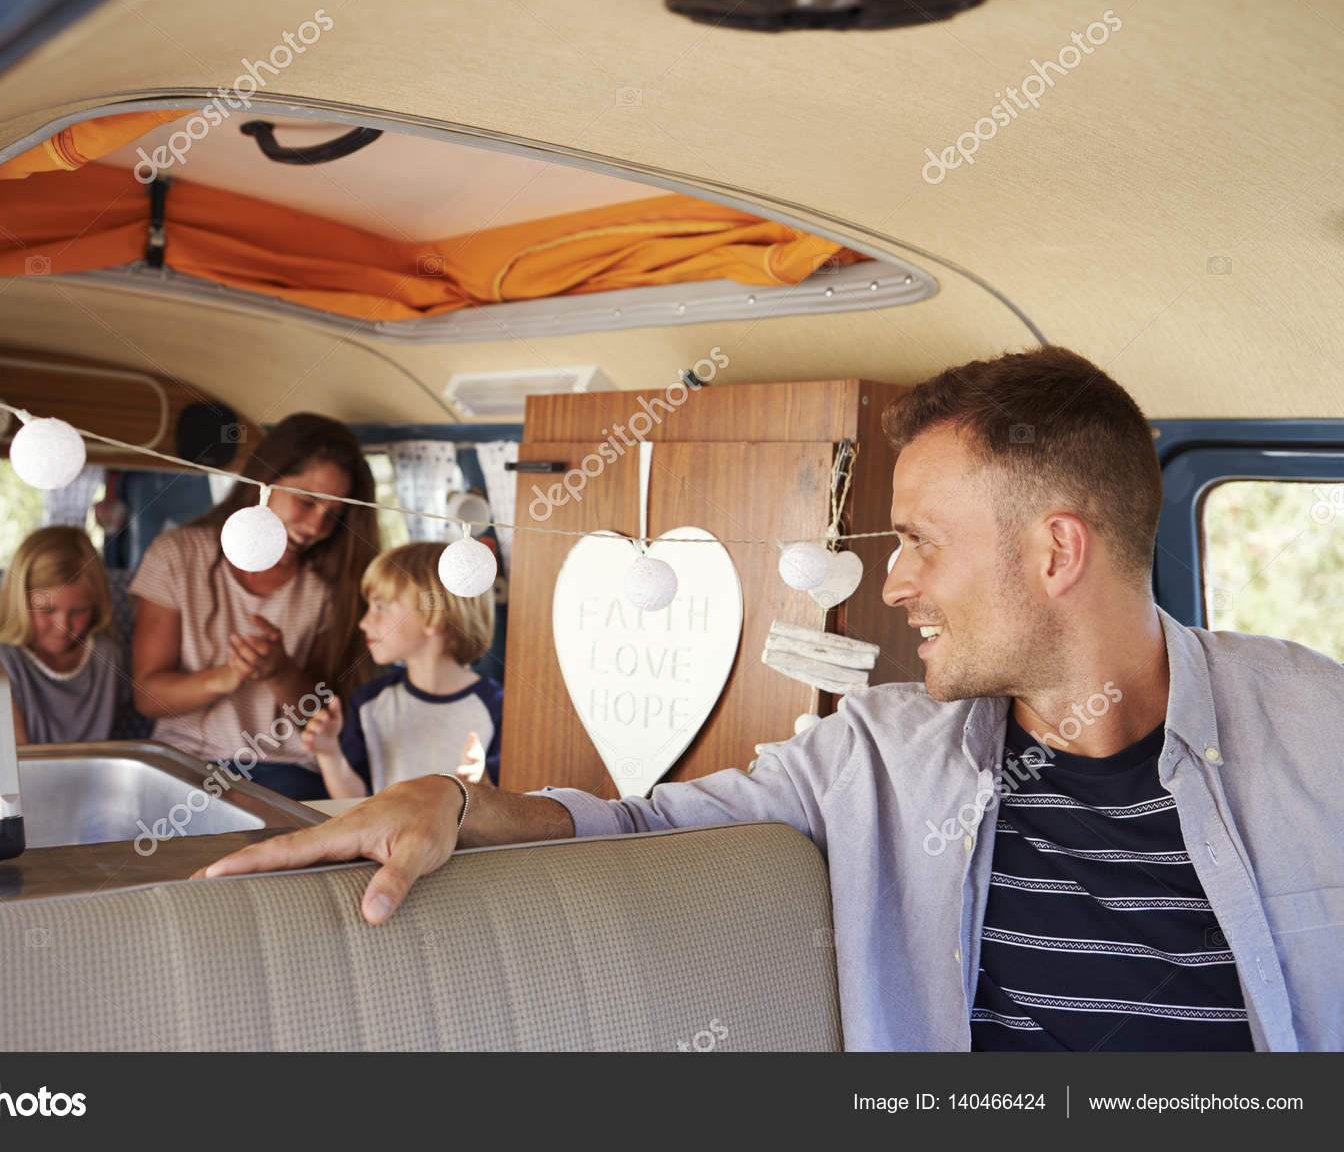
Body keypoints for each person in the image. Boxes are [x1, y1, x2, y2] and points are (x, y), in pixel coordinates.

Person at [193, 347, 1344, 1052]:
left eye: (920, 542)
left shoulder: (1315, 728)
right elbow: (641, 822)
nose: (891, 583)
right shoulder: (877, 753)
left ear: (1054, 552)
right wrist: (455, 802)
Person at [129, 413, 378, 800]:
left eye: (334, 516)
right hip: (187, 760)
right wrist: (225, 677)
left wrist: (281, 672)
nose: (316, 528)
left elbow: (321, 720)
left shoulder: (330, 585)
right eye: (306, 502)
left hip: (287, 769)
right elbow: (148, 696)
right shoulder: (177, 556)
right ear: (263, 483)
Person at [302, 542, 501, 799]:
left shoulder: (498, 707)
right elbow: (355, 804)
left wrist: (481, 783)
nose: (364, 622)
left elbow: (506, 805)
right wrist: (329, 753)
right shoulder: (368, 702)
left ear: (434, 616)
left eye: (381, 607)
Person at [0, 525, 122, 745]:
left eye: (78, 611)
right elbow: (13, 755)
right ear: (19, 603)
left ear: (96, 605)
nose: (62, 626)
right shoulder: (0, 664)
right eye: (47, 610)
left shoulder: (108, 655)